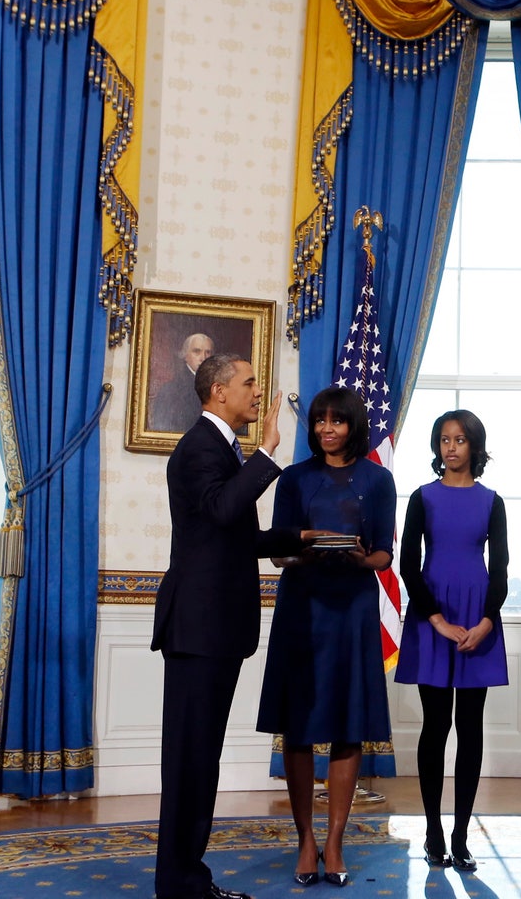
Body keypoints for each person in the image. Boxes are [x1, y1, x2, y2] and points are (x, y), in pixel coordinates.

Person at [151, 353, 315, 899]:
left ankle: (186, 881)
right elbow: (224, 511)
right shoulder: (199, 447)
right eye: (248, 383)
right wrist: (268, 452)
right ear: (218, 391)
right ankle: (181, 886)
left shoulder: (221, 448)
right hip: (199, 629)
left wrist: (297, 539)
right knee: (191, 760)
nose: (256, 390)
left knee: (200, 759)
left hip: (215, 628)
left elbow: (234, 536)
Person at [256, 386, 396, 887]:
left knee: (346, 724)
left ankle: (335, 842)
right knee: (297, 727)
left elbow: (384, 554)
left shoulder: (379, 480)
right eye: (319, 421)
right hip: (302, 608)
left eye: (336, 421)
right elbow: (277, 552)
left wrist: (359, 556)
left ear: (352, 425)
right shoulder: (294, 479)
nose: (326, 429)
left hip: (352, 609)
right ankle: (305, 841)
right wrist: (306, 547)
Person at [393, 409, 507, 872]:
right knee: (435, 726)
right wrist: (436, 620)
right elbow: (407, 565)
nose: (451, 447)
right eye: (444, 439)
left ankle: (461, 834)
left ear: (474, 447)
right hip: (432, 613)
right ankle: (433, 831)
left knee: (471, 728)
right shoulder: (422, 497)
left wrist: (486, 621)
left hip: (478, 614)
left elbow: (500, 569)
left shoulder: (493, 501)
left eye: (460, 440)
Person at [150, 331, 216, 432]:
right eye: (197, 351)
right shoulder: (170, 390)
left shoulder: (220, 387)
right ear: (185, 355)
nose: (203, 358)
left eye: (208, 352)